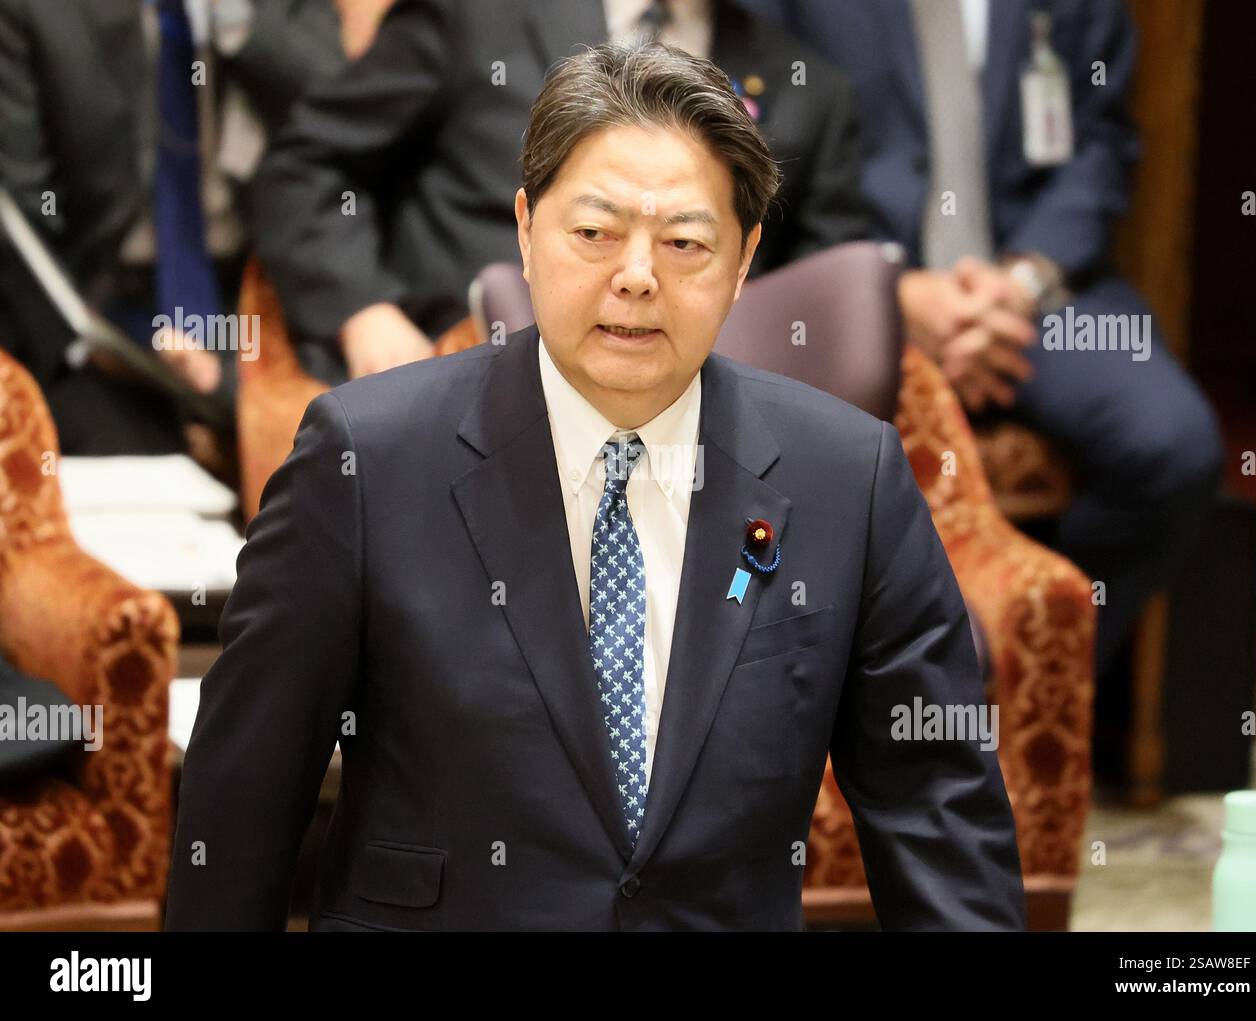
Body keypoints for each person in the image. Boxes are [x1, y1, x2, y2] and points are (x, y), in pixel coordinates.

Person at [164, 42, 1025, 931]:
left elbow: (940, 821)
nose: (638, 275)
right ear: (527, 232)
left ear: (744, 261)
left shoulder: (851, 478)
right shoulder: (365, 462)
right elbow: (239, 813)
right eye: (595, 232)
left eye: (686, 242)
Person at [741, 0, 1225, 681]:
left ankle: (1036, 686)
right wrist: (888, 291)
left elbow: (1101, 144)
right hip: (848, 285)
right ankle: (871, 712)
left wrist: (1017, 284)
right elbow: (756, 139)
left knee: (1174, 445)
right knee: (776, 453)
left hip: (1034, 291)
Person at [252, 0, 876, 385]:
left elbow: (829, 297)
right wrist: (365, 312)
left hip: (693, 414)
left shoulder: (811, 88)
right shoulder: (475, 14)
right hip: (465, 370)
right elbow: (308, 164)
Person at [0, 0, 344, 457]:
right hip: (108, 311)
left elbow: (345, 117)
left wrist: (239, 21)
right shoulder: (33, 12)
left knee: (347, 446)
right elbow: (26, 218)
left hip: (258, 300)